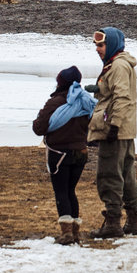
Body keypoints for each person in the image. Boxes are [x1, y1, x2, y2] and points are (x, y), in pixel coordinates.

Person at [87, 27, 137, 238]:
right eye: (96, 45)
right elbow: (118, 93)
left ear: (112, 44)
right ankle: (133, 220)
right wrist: (99, 90)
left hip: (116, 130)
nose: (98, 49)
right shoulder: (120, 63)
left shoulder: (117, 66)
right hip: (126, 129)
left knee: (109, 175)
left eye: (101, 45)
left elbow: (122, 97)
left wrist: (114, 126)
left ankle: (112, 223)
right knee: (127, 175)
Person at [32, 66, 94, 245]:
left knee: (61, 192)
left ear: (60, 82)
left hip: (59, 154)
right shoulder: (85, 102)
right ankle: (75, 232)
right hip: (81, 152)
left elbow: (39, 128)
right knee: (70, 191)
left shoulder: (55, 102)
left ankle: (66, 233)